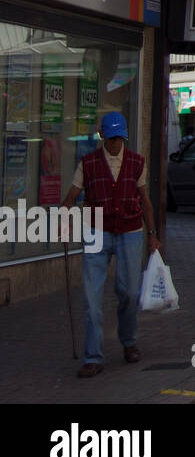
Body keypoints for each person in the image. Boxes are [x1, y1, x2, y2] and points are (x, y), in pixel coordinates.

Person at [59, 111, 160, 378]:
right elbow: (71, 196)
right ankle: (93, 357)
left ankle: (129, 342)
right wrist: (64, 217)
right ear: (102, 135)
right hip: (96, 232)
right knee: (92, 299)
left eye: (119, 138)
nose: (116, 143)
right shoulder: (88, 163)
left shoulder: (137, 162)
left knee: (128, 293)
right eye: (111, 138)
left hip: (129, 231)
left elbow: (145, 200)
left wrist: (152, 234)